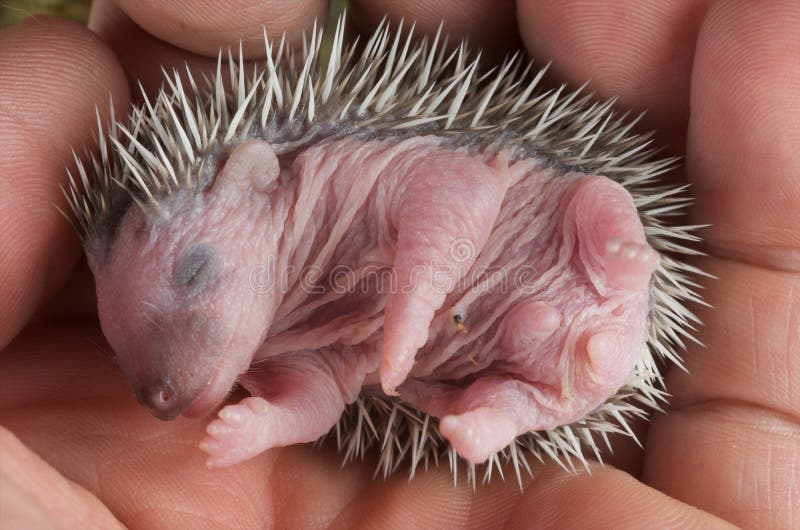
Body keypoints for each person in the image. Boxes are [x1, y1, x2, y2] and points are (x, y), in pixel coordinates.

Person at [0, 1, 796, 527]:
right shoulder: (285, 328)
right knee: (479, 399)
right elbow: (327, 388)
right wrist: (270, 420)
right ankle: (525, 401)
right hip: (492, 358)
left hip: (547, 247)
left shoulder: (348, 173)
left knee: (594, 211)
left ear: (252, 177)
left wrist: (411, 309)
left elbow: (458, 197)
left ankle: (617, 277)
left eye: (194, 277)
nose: (160, 388)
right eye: (124, 348)